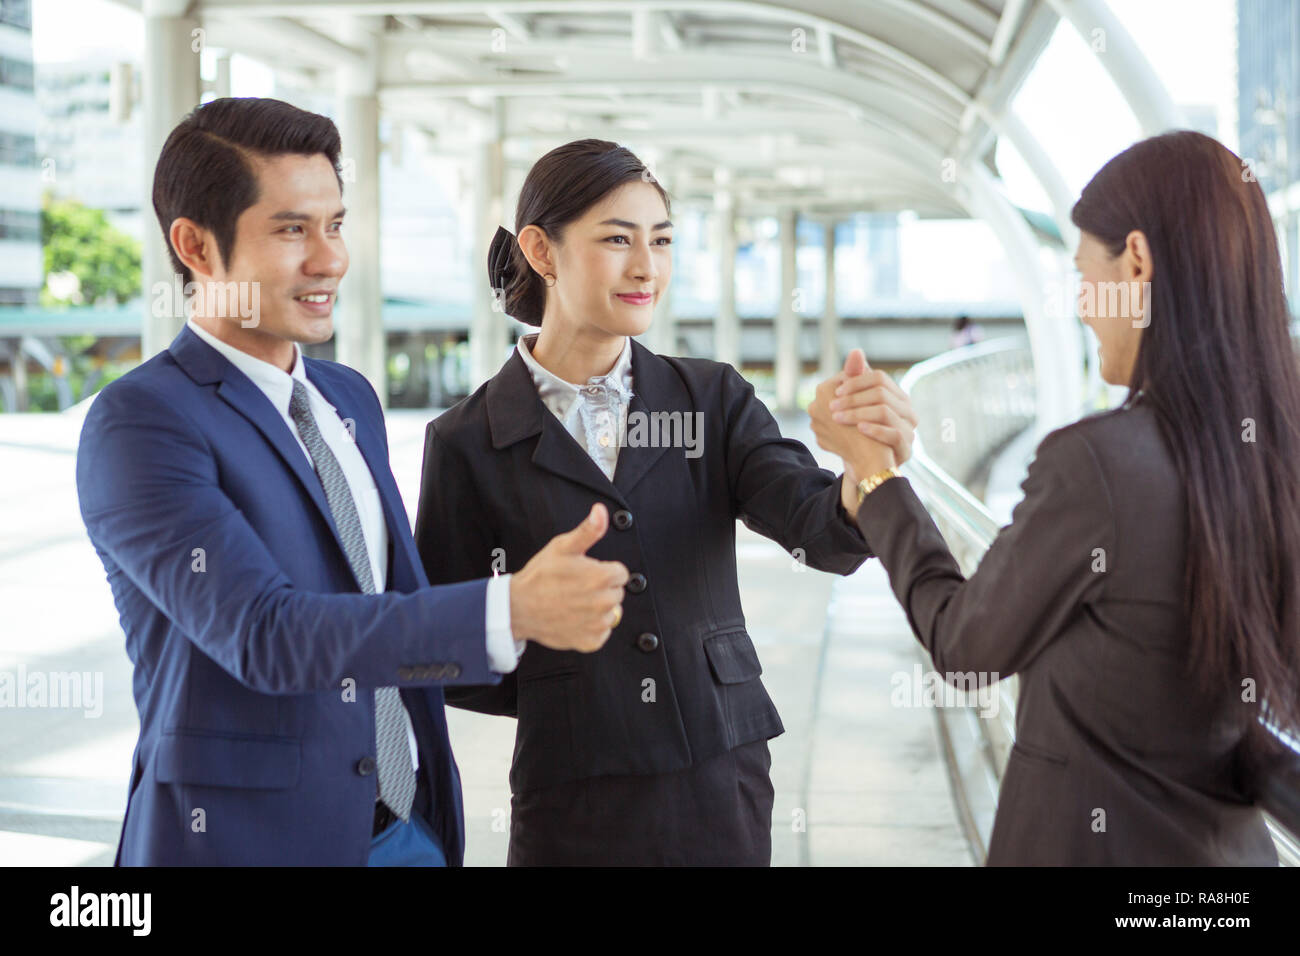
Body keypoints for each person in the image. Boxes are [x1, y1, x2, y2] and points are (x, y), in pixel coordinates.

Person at [75, 98, 626, 866]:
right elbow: (264, 634)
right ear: (195, 246)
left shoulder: (349, 398)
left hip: (410, 827)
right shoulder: (140, 423)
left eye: (334, 225)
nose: (330, 259)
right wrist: (511, 607)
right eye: (291, 229)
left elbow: (387, 601)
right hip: (249, 845)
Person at [414, 138, 915, 865]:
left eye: (662, 240)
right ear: (541, 252)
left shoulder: (711, 399)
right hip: (570, 792)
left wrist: (866, 467)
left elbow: (820, 531)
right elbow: (449, 647)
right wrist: (556, 660)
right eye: (617, 240)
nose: (647, 266)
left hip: (720, 773)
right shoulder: (467, 439)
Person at [810, 129, 1300, 865]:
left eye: (1081, 275)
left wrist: (876, 479)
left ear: (1136, 260)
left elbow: (967, 644)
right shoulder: (1273, 454)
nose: (1079, 307)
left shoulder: (1100, 465)